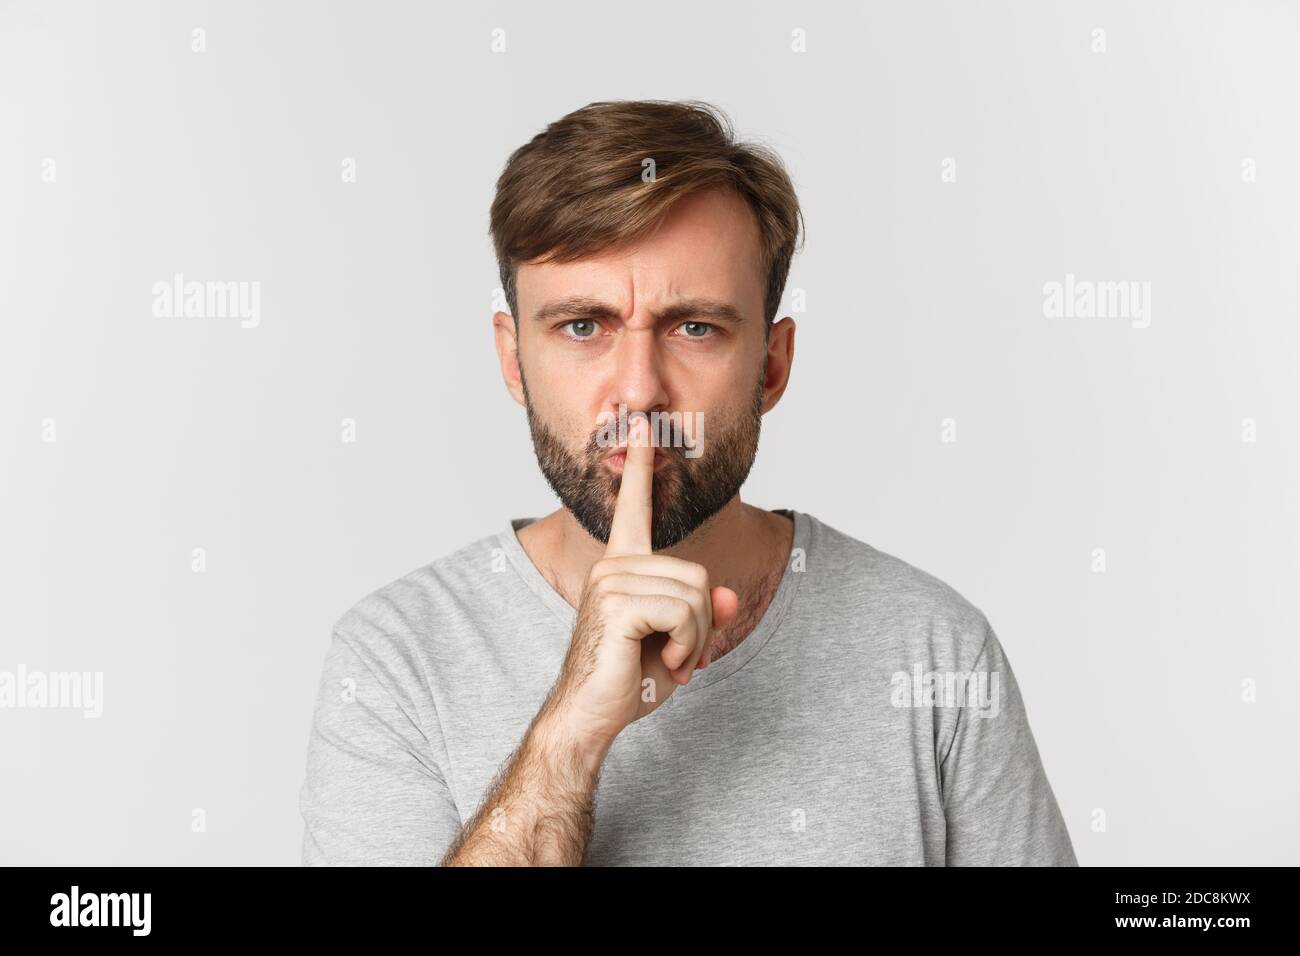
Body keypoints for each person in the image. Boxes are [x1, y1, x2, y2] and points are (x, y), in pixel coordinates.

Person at [298, 99, 1076, 866]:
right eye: (583, 325)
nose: (639, 392)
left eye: (694, 328)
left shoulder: (934, 651)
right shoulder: (395, 659)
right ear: (512, 359)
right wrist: (572, 730)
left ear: (771, 366)